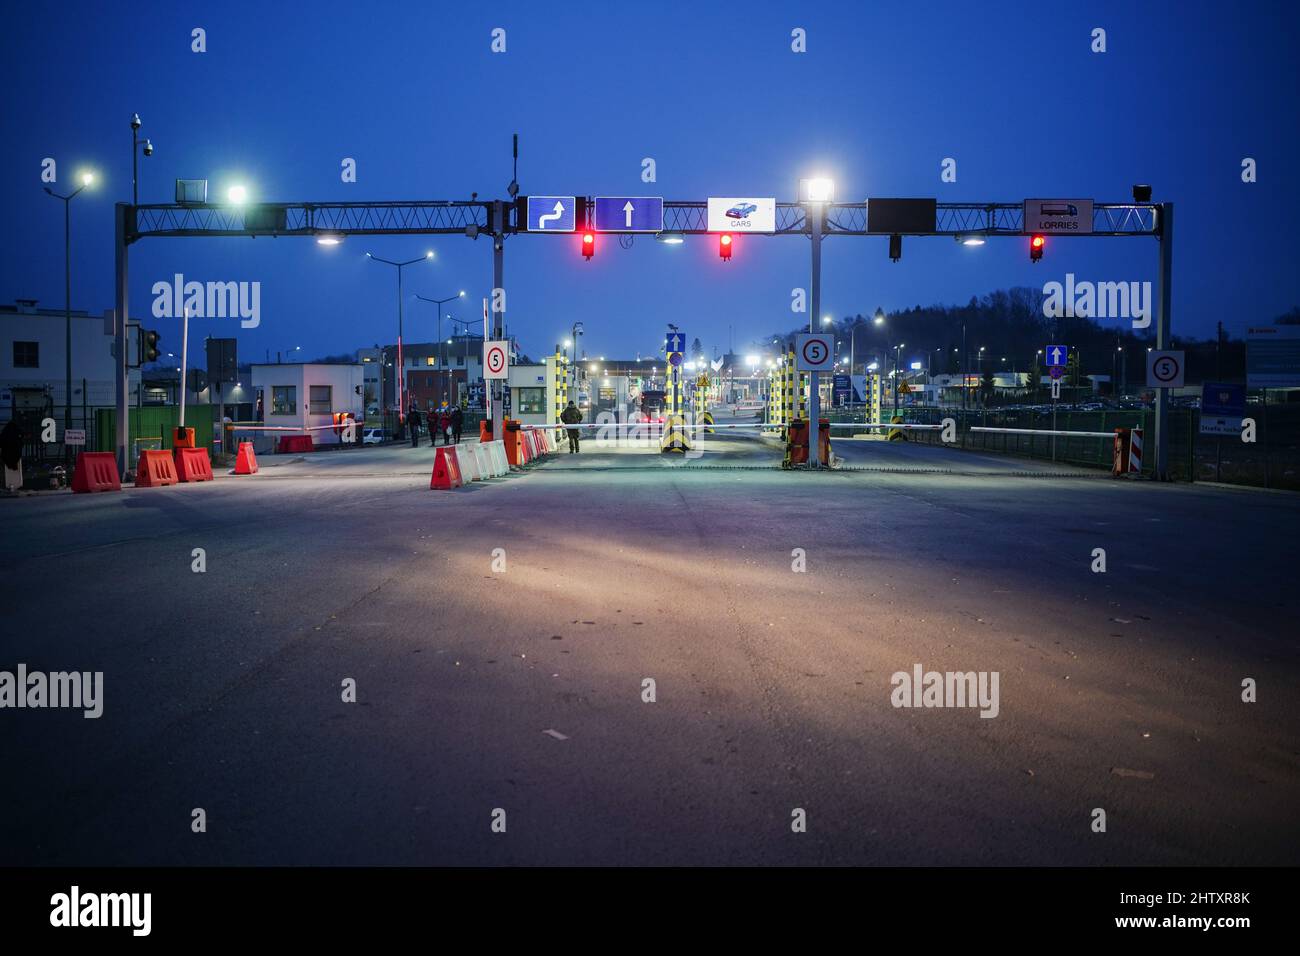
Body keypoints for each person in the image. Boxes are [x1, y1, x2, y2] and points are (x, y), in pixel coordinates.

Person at [1, 418, 24, 493]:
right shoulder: (16, 433)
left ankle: (10, 484)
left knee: (8, 469)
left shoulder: (5, 433)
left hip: (6, 454)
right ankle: (14, 484)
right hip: (15, 453)